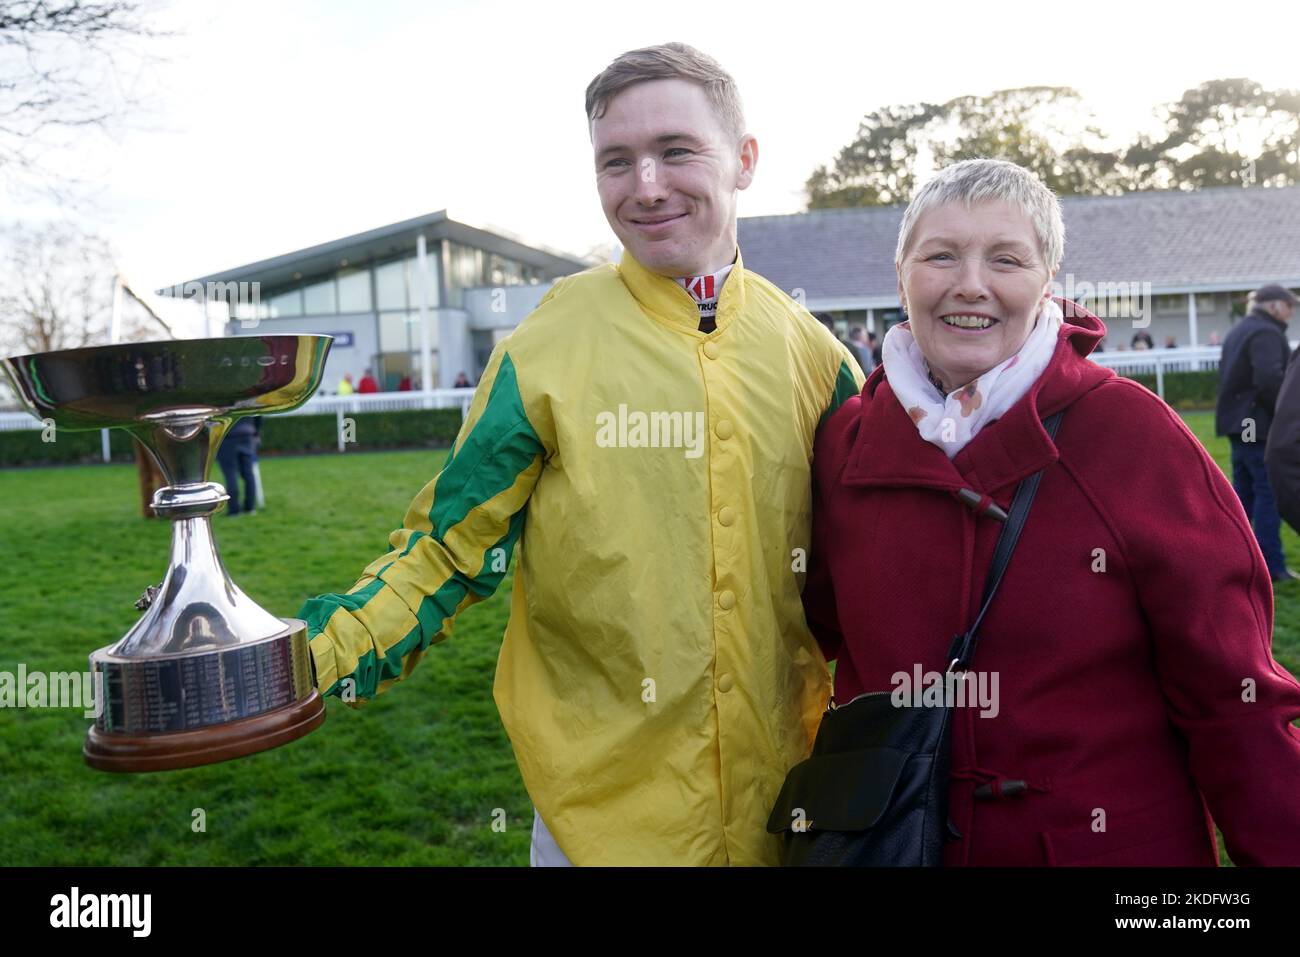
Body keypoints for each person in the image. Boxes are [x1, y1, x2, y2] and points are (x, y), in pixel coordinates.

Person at [298, 42, 863, 866]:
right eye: (616, 161)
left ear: (743, 160)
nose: (646, 186)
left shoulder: (821, 360)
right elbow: (448, 549)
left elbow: (879, 573)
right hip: (595, 828)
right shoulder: (547, 343)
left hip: (789, 815)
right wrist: (308, 660)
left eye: (675, 151)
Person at [804, 159, 1300, 865]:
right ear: (901, 275)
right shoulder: (846, 443)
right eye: (940, 255)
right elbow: (808, 636)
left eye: (1006, 258)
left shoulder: (1135, 434)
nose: (970, 283)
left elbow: (1234, 701)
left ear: (1048, 282)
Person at [1217, 283, 1297, 582]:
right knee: (1267, 492)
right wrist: (1287, 413)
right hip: (1255, 425)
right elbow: (1269, 380)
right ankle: (1271, 565)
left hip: (1239, 426)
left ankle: (1232, 556)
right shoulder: (1266, 332)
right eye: (1289, 306)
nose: (1290, 312)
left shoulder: (1241, 329)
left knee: (1245, 494)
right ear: (1275, 305)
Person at [216, 416, 261, 517]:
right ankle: (250, 508)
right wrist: (256, 432)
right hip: (247, 434)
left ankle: (234, 510)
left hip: (227, 436)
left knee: (230, 474)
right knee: (248, 474)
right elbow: (258, 415)